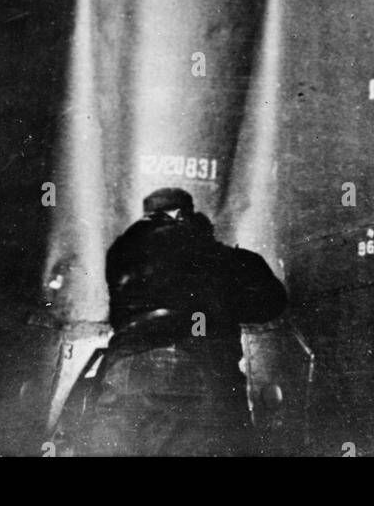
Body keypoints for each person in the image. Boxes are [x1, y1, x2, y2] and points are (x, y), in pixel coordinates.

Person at [60, 188, 287, 457]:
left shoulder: (120, 255)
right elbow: (271, 303)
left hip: (128, 369)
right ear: (182, 214)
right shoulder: (215, 254)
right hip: (205, 367)